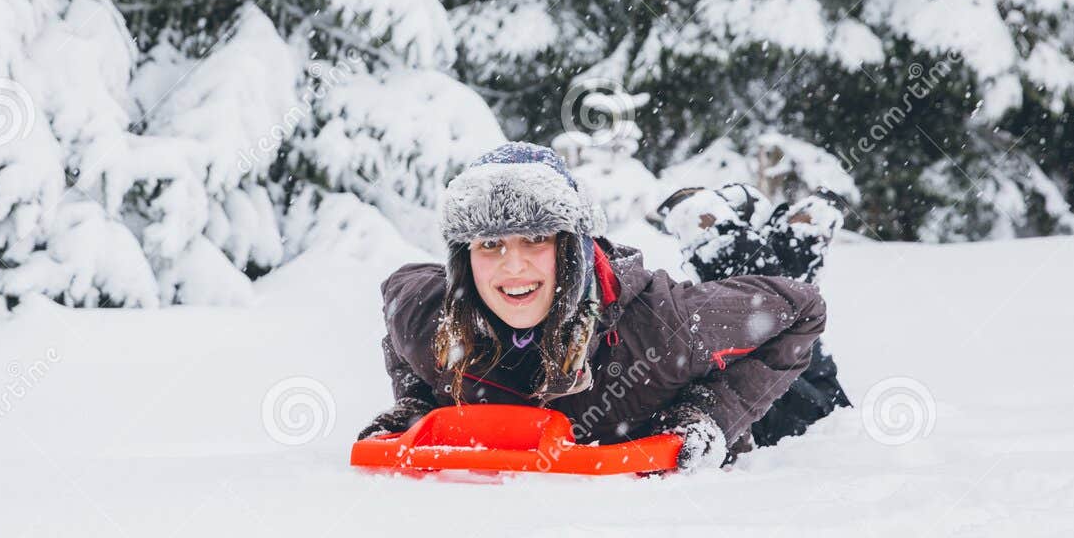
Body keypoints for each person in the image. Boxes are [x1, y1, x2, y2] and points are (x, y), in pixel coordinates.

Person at [356, 142, 830, 471]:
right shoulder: (429, 317)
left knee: (815, 409)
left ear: (572, 249)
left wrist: (708, 414)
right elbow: (400, 319)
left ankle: (751, 254)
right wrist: (415, 408)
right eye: (490, 245)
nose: (513, 267)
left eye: (536, 239)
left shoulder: (663, 325)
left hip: (763, 409)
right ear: (464, 260)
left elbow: (802, 312)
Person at [653, 183, 852, 455]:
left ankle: (736, 253)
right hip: (811, 409)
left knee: (764, 318)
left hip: (787, 423)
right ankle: (773, 262)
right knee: (785, 326)